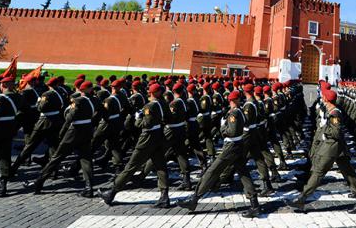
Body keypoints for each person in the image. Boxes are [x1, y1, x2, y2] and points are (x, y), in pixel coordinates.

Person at [177, 89, 261, 218]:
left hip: (231, 146)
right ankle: (254, 205)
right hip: (237, 145)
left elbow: (231, 132)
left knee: (212, 171)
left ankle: (194, 199)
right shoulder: (238, 111)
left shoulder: (235, 113)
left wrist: (223, 127)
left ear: (232, 100)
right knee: (243, 173)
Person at [287, 88, 356, 214]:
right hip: (336, 148)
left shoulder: (335, 114)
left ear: (326, 99)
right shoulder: (331, 111)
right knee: (349, 173)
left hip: (332, 147)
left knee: (319, 172)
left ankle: (302, 198)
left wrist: (325, 129)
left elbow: (336, 132)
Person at [99, 83, 171, 208]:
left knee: (131, 166)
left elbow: (145, 124)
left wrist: (138, 118)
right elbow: (168, 118)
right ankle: (164, 196)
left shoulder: (150, 106)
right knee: (160, 166)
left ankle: (112, 192)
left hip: (147, 138)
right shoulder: (163, 103)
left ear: (151, 92)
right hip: (159, 136)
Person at [23, 81, 98, 197]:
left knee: (57, 157)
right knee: (86, 158)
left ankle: (39, 182)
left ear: (80, 90)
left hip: (74, 131)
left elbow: (69, 117)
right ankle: (89, 187)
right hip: (87, 130)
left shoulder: (78, 101)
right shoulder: (95, 100)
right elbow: (101, 113)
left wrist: (63, 131)